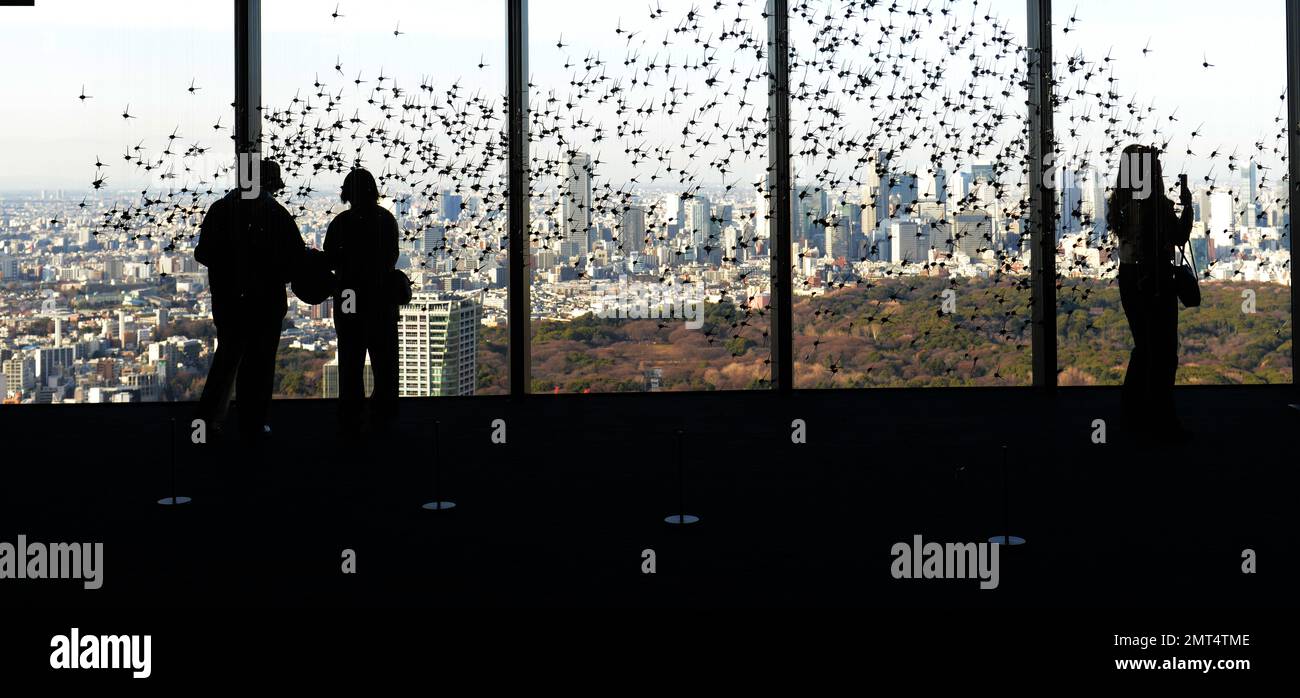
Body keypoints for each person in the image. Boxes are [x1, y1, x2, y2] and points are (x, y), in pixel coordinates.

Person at [194, 159, 305, 442]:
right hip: (266, 305)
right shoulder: (275, 214)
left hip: (229, 303)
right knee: (260, 366)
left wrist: (231, 264)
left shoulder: (220, 210)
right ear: (268, 184)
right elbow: (295, 259)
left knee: (226, 363)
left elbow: (203, 253)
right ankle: (252, 424)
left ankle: (207, 425)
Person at [1108, 144, 1193, 443]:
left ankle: (1134, 415)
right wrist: (1188, 205)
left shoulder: (1119, 203)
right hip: (1156, 279)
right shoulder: (1158, 205)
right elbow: (1180, 236)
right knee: (1165, 351)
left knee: (1144, 348)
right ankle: (1162, 418)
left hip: (1130, 278)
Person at [324, 168, 401, 436]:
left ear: (347, 192)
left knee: (350, 360)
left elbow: (330, 260)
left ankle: (351, 415)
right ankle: (384, 414)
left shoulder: (341, 222)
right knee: (385, 362)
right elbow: (391, 258)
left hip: (349, 300)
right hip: (381, 300)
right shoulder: (386, 219)